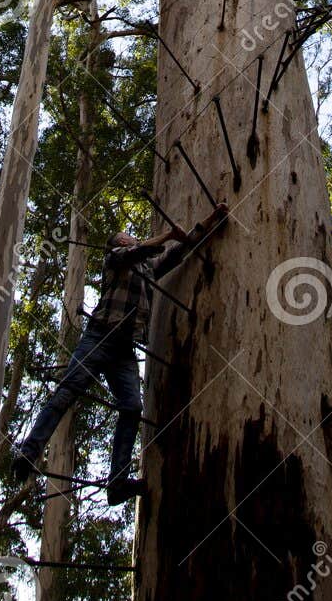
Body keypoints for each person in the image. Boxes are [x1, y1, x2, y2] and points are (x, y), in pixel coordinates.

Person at [13, 202, 229, 505]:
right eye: (126, 236)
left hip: (124, 350)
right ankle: (30, 450)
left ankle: (117, 483)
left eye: (130, 236)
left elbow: (181, 251)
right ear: (118, 244)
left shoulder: (148, 270)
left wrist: (211, 218)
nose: (130, 237)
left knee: (131, 407)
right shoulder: (115, 259)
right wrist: (166, 234)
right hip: (100, 336)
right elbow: (138, 251)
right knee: (68, 391)